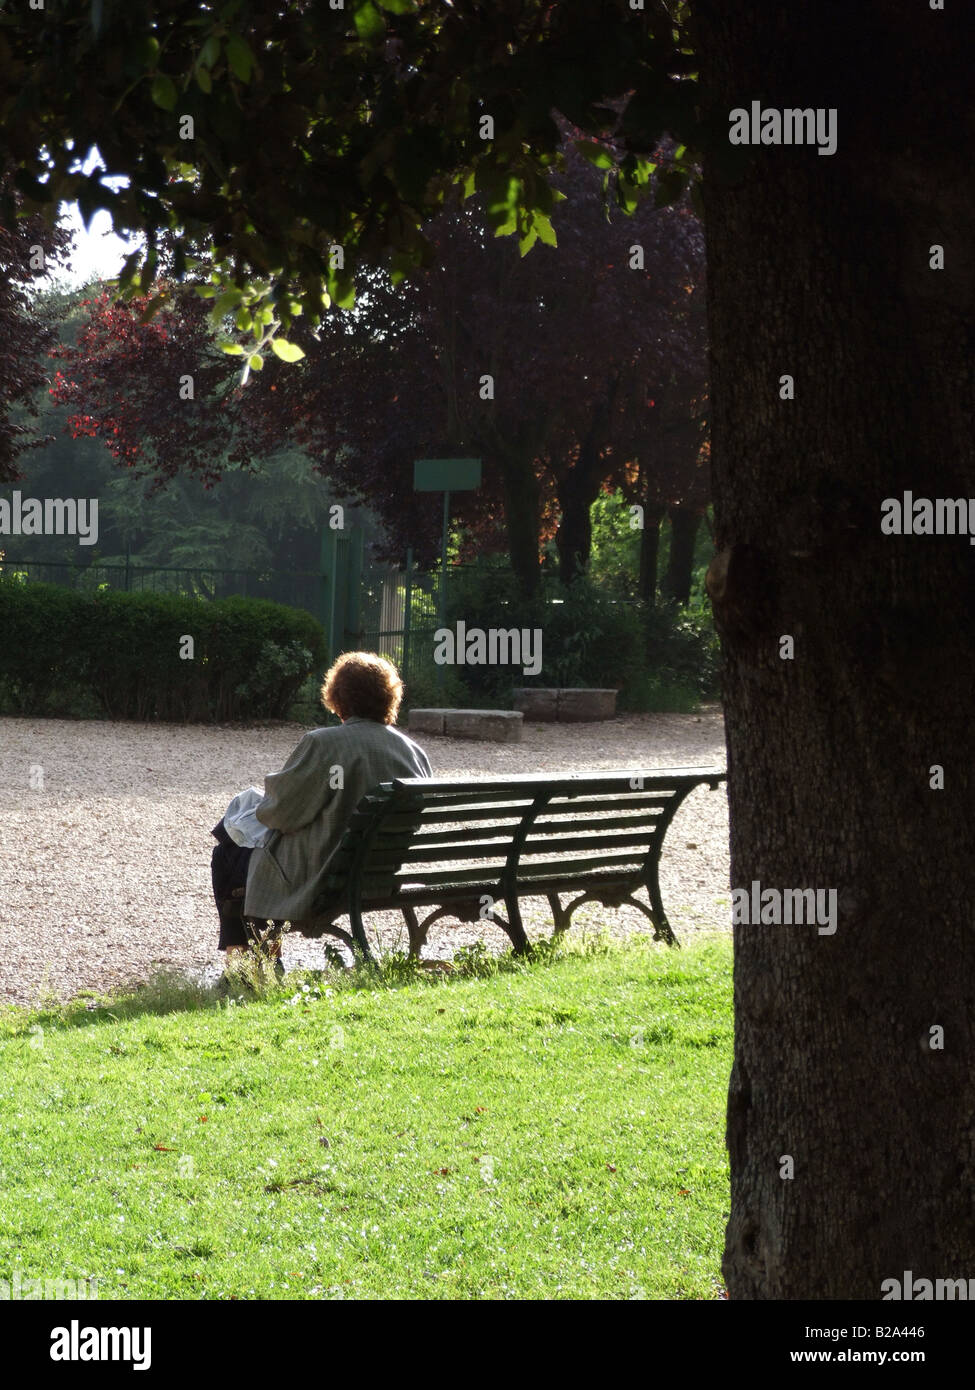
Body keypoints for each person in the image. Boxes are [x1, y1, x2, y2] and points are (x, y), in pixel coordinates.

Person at [210, 651, 432, 975]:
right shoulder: (413, 752)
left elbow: (280, 815)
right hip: (380, 875)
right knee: (235, 846)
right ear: (389, 697)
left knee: (228, 853)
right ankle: (252, 963)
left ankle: (250, 968)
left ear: (337, 698)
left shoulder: (324, 744)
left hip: (325, 878)